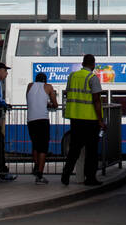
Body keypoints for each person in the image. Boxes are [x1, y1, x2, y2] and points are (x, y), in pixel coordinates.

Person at [60, 54, 104, 187]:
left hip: (75, 118)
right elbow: (96, 100)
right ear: (93, 64)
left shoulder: (72, 76)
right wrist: (100, 120)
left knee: (74, 149)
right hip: (90, 119)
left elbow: (68, 93)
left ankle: (66, 175)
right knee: (91, 151)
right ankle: (90, 178)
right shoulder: (92, 78)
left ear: (82, 63)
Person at [25, 72, 58, 184]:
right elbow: (55, 104)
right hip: (42, 120)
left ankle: (36, 165)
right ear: (45, 80)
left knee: (35, 145)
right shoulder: (48, 87)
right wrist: (50, 104)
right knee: (43, 147)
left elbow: (32, 101)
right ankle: (39, 175)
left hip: (31, 120)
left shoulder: (30, 86)